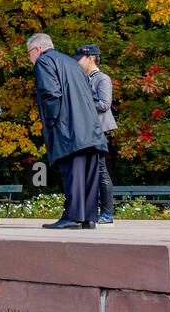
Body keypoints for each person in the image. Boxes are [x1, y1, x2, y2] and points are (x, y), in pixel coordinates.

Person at [27, 33, 108, 228]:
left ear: (37, 49)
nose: (30, 58)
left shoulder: (44, 62)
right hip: (91, 129)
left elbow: (51, 93)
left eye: (29, 53)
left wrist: (51, 121)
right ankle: (88, 219)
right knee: (89, 174)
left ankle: (72, 217)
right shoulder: (73, 63)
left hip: (70, 129)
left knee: (73, 173)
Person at [76, 44, 116, 224]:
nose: (78, 62)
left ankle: (107, 213)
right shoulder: (84, 78)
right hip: (86, 131)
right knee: (88, 171)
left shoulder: (102, 78)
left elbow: (105, 104)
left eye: (81, 58)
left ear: (91, 58)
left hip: (98, 131)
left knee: (100, 171)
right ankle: (89, 211)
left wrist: (80, 104)